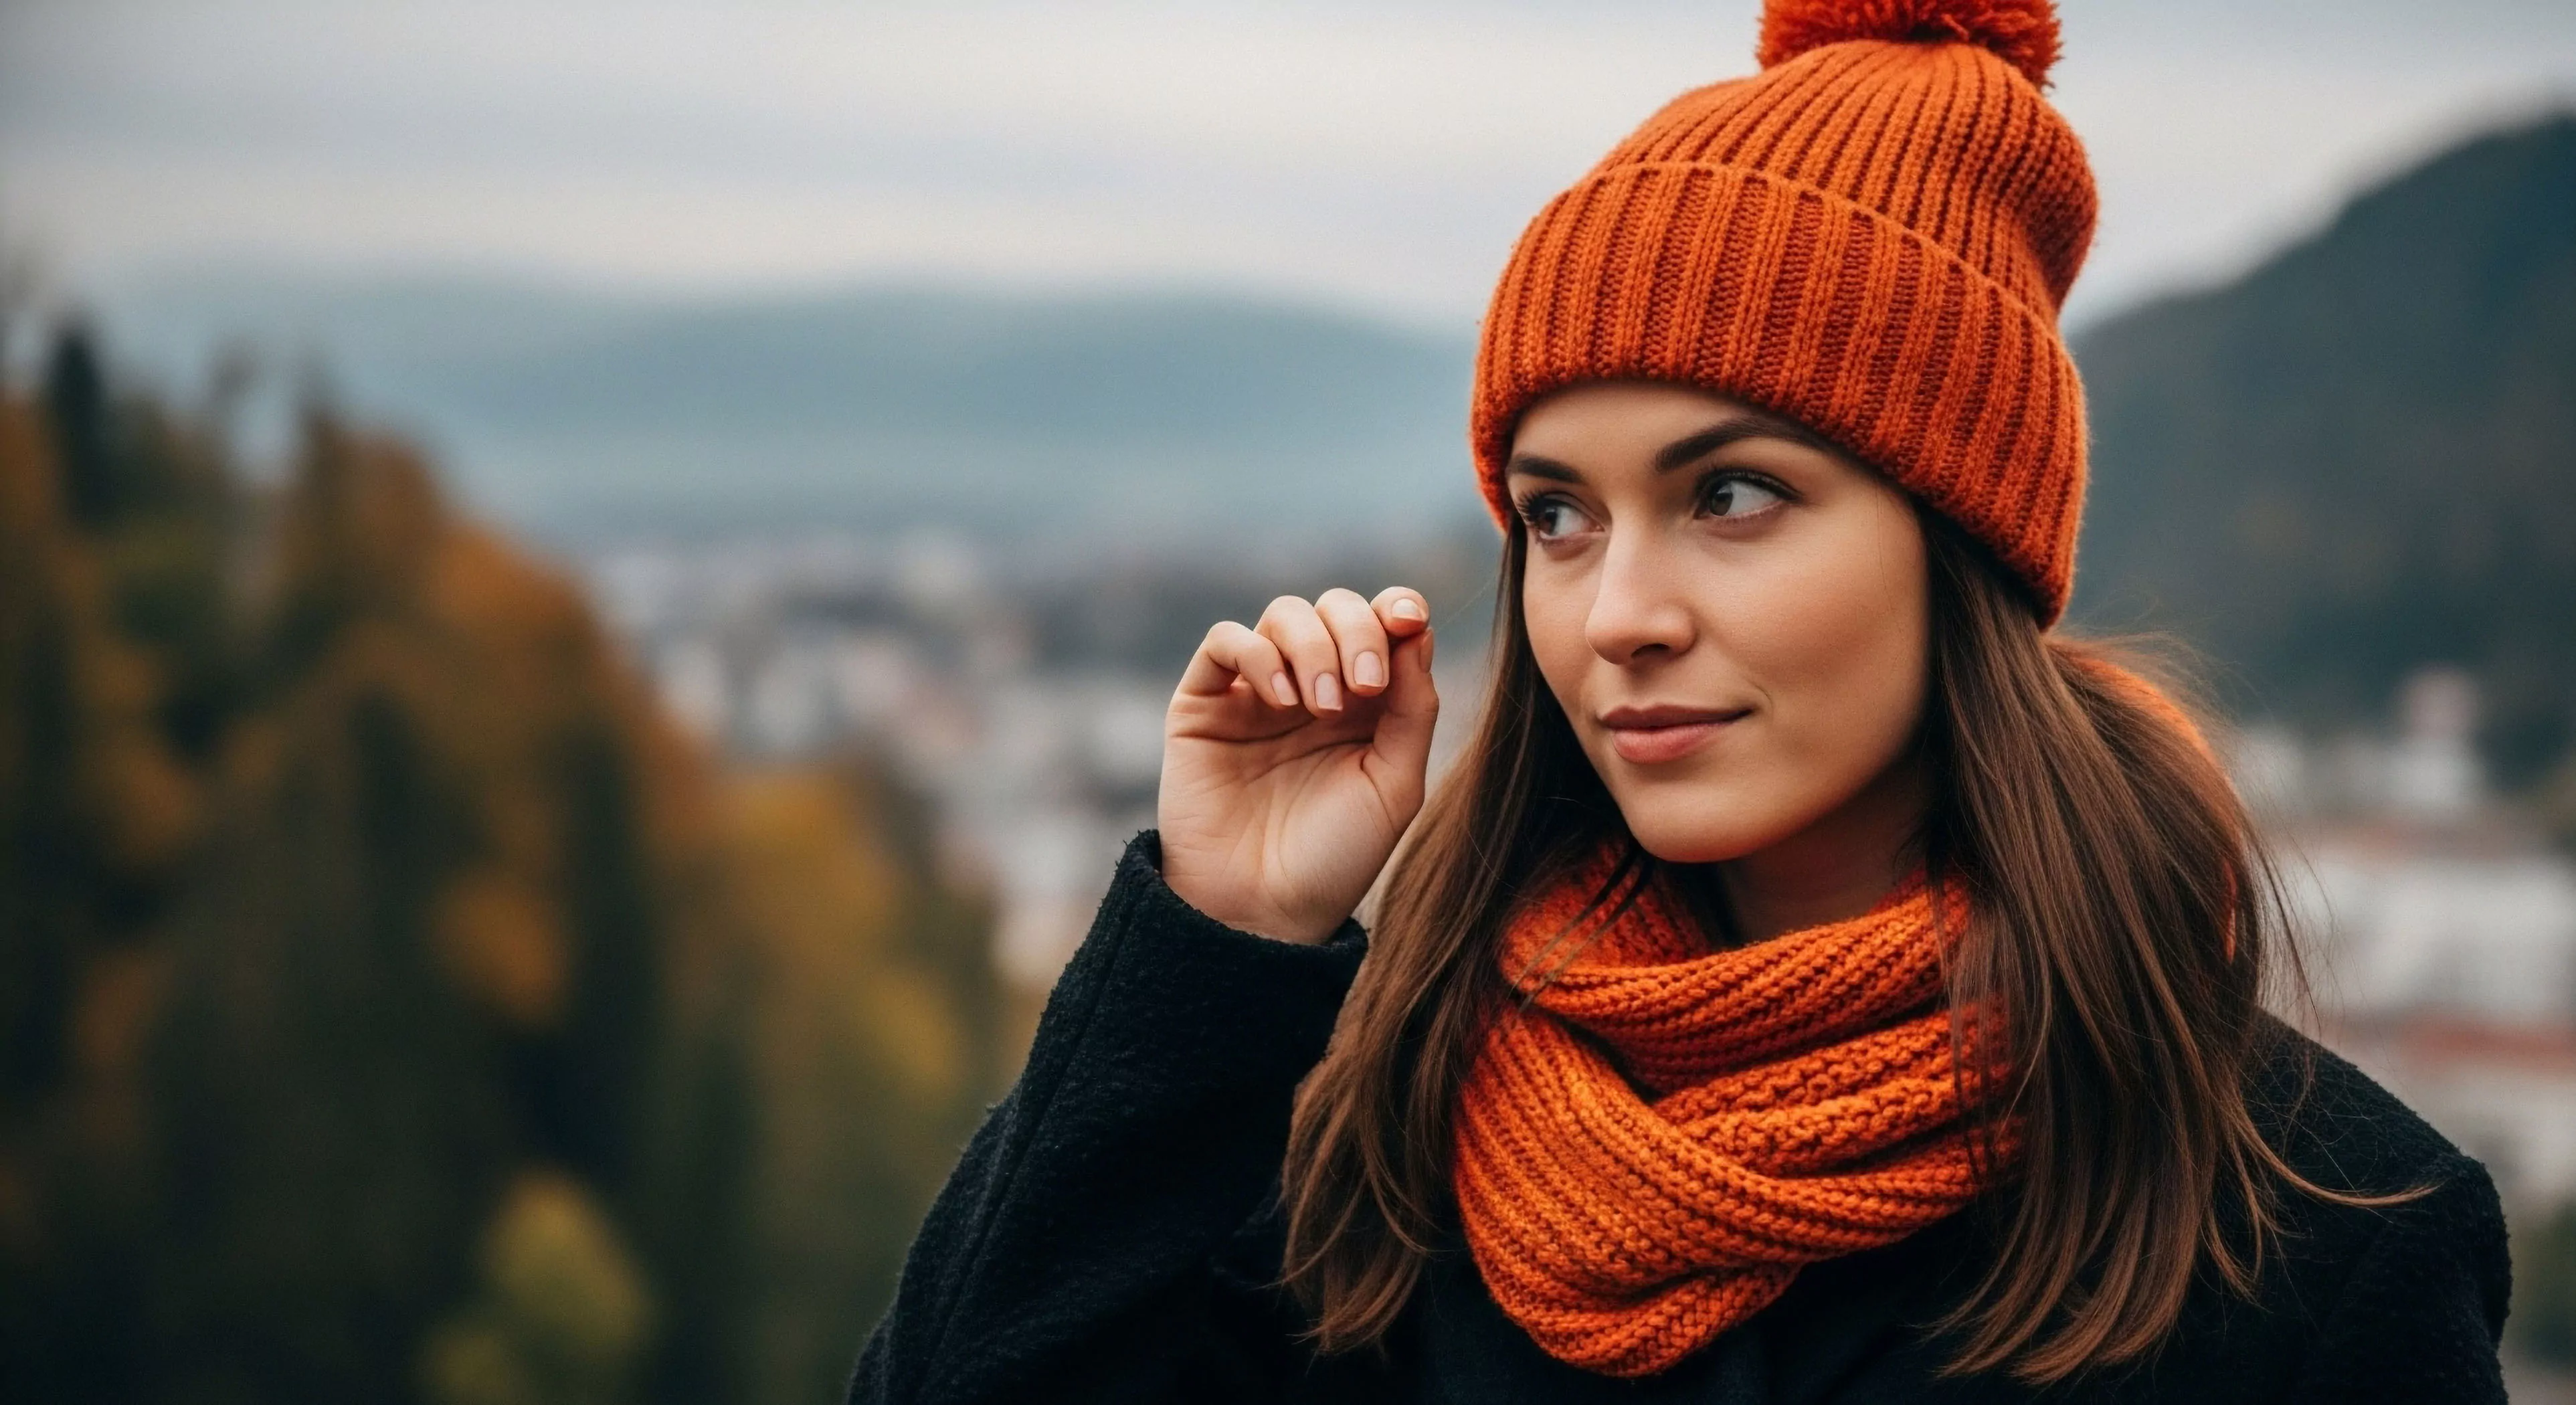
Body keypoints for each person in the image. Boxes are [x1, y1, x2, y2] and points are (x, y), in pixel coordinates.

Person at [848, 0, 2512, 1400]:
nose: (1614, 617)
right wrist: (1215, 947)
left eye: (1730, 496)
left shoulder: (2319, 1237)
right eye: (1554, 515)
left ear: (1961, 541)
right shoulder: (1382, 1122)